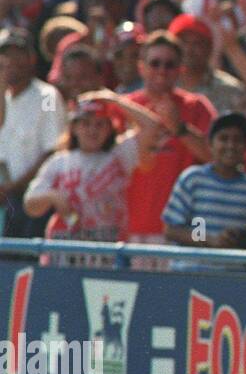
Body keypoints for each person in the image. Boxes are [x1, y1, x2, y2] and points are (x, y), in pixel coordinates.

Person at [24, 93, 164, 247]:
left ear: (109, 129)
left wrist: (114, 100)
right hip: (65, 252)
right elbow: (30, 206)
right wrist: (53, 197)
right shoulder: (59, 162)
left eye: (100, 124)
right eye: (86, 124)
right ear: (74, 128)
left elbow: (153, 126)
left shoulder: (120, 154)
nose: (93, 130)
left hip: (109, 252)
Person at [123, 31, 216, 245]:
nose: (162, 71)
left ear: (180, 70)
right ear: (141, 67)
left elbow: (215, 158)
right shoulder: (124, 107)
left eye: (169, 64)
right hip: (127, 231)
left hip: (180, 230)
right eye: (155, 63)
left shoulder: (197, 106)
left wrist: (180, 128)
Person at [162, 112, 246, 252]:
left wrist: (245, 240)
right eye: (223, 138)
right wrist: (211, 240)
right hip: (191, 272)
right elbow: (171, 230)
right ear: (210, 144)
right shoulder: (192, 179)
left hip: (237, 273)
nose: (231, 145)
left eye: (238, 140)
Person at [0, 28, 68, 237]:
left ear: (31, 58)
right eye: (5, 55)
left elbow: (53, 149)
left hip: (32, 199)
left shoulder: (47, 95)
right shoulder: (4, 97)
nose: (10, 62)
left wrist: (13, 187)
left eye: (16, 55)